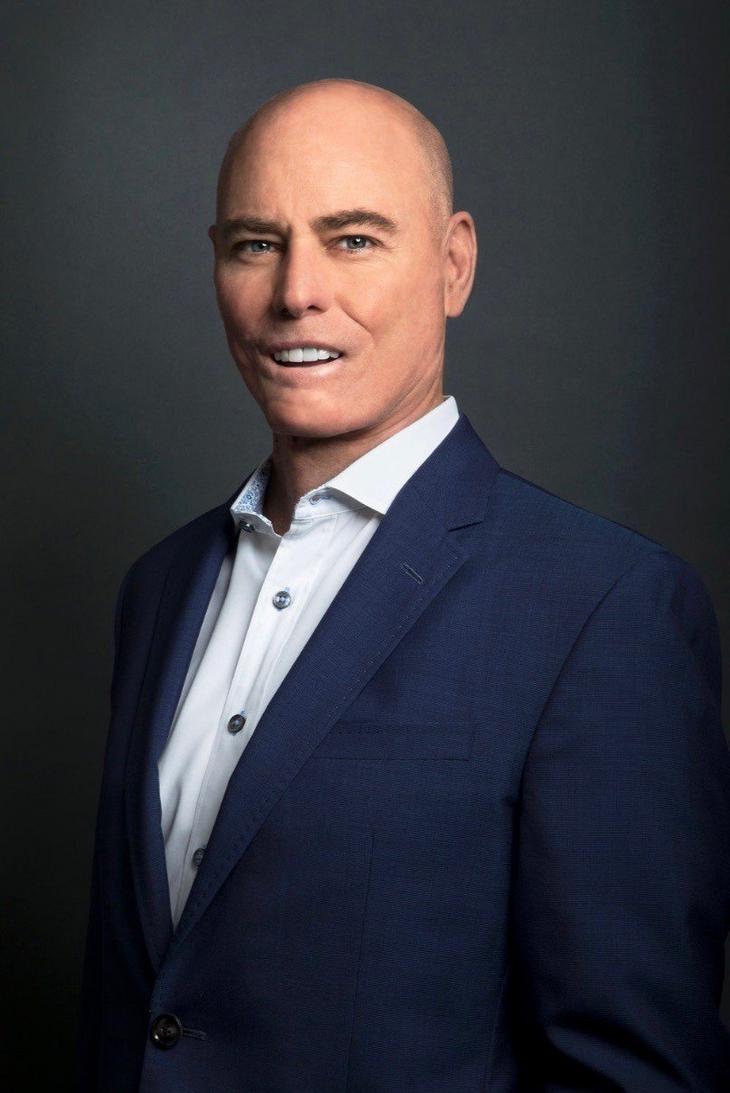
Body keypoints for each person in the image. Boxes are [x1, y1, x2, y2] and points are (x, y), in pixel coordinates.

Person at [78, 77, 730, 1092]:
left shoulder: (605, 608)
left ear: (453, 263)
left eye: (353, 239)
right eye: (256, 243)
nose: (297, 291)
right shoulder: (159, 589)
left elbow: (630, 1071)